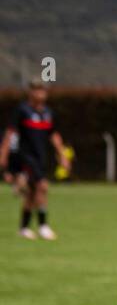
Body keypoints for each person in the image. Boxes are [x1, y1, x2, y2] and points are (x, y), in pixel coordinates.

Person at [1, 81, 70, 240]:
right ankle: (43, 226)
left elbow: (54, 135)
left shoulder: (48, 113)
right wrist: (3, 154)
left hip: (40, 157)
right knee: (42, 186)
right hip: (25, 156)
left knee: (32, 193)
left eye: (43, 91)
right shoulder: (22, 110)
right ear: (30, 92)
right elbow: (10, 133)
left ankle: (24, 228)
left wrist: (62, 155)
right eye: (37, 90)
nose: (41, 94)